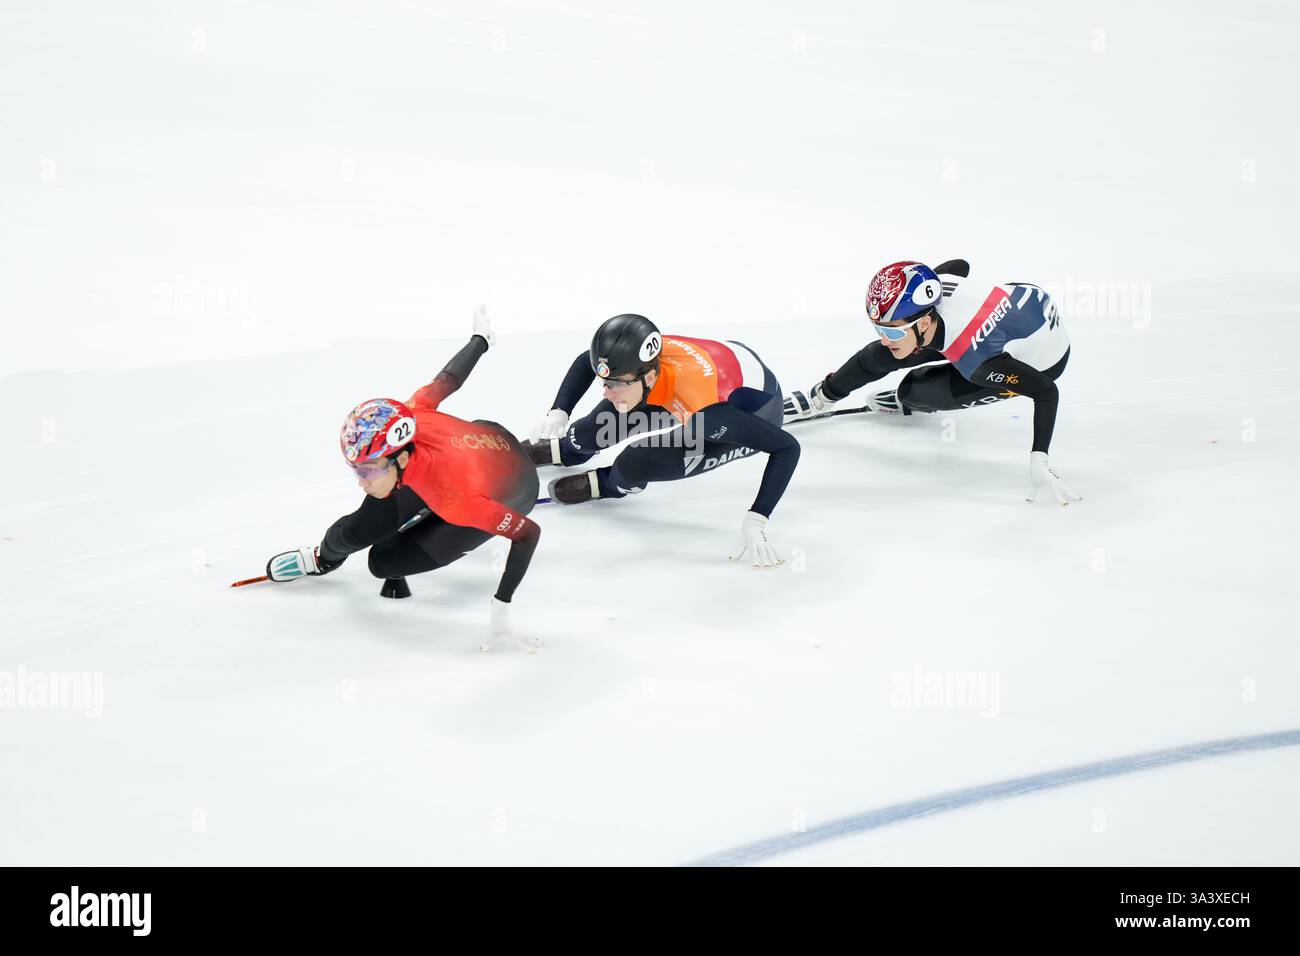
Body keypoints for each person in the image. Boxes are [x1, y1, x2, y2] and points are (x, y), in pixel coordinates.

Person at [265, 310, 544, 651]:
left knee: (382, 562)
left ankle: (416, 525)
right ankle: (324, 558)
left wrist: (501, 612)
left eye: (367, 471)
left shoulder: (460, 500)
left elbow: (529, 533)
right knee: (362, 527)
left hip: (511, 490)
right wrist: (480, 341)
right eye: (357, 470)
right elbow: (448, 379)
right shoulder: (412, 412)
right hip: (479, 443)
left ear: (398, 457)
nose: (360, 482)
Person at [784, 259, 1080, 504]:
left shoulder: (975, 360)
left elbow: (1045, 391)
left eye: (895, 332)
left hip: (1043, 363)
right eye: (879, 329)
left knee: (917, 389)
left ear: (924, 322)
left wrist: (1039, 460)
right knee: (878, 356)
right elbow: (959, 266)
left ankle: (908, 400)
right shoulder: (937, 286)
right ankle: (820, 398)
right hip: (1023, 306)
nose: (886, 339)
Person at [523, 314, 800, 568]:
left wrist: (757, 518)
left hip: (750, 410)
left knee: (637, 462)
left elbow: (787, 447)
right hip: (707, 372)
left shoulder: (706, 410)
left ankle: (608, 484)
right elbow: (587, 361)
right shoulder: (637, 357)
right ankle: (571, 450)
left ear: (650, 376)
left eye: (617, 384)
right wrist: (559, 412)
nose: (607, 392)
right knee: (593, 430)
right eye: (605, 383)